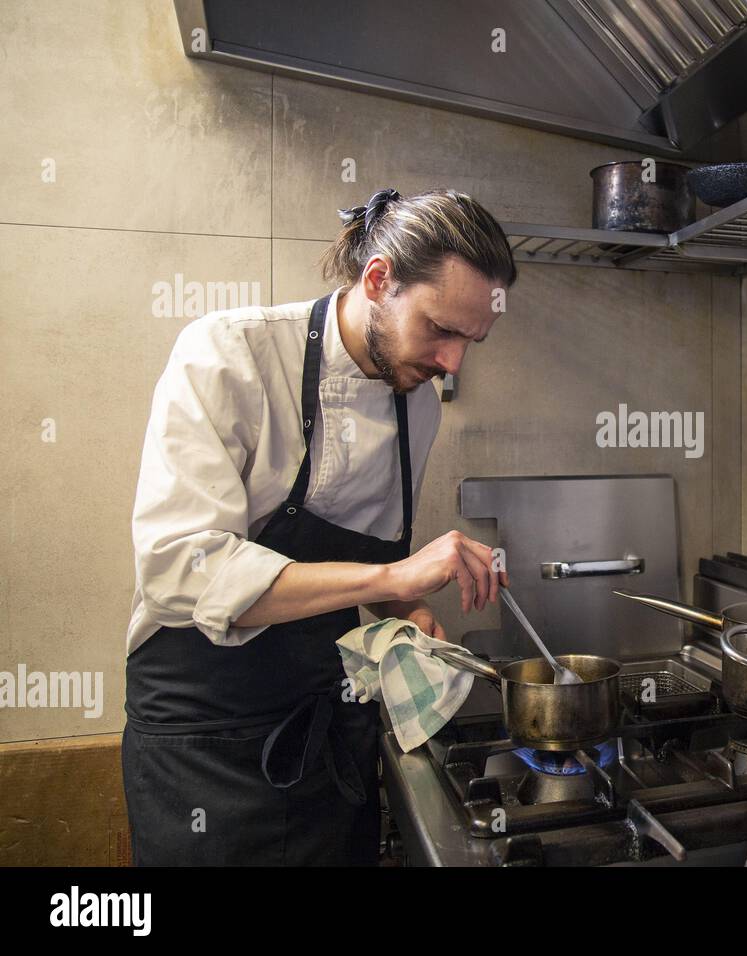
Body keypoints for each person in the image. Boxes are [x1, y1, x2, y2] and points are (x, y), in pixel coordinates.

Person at [122, 188, 515, 865]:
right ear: (379, 279)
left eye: (470, 341)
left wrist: (406, 606)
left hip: (329, 731)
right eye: (441, 330)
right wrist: (395, 576)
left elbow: (363, 559)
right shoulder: (228, 355)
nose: (452, 364)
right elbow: (180, 568)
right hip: (207, 740)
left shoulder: (414, 405)